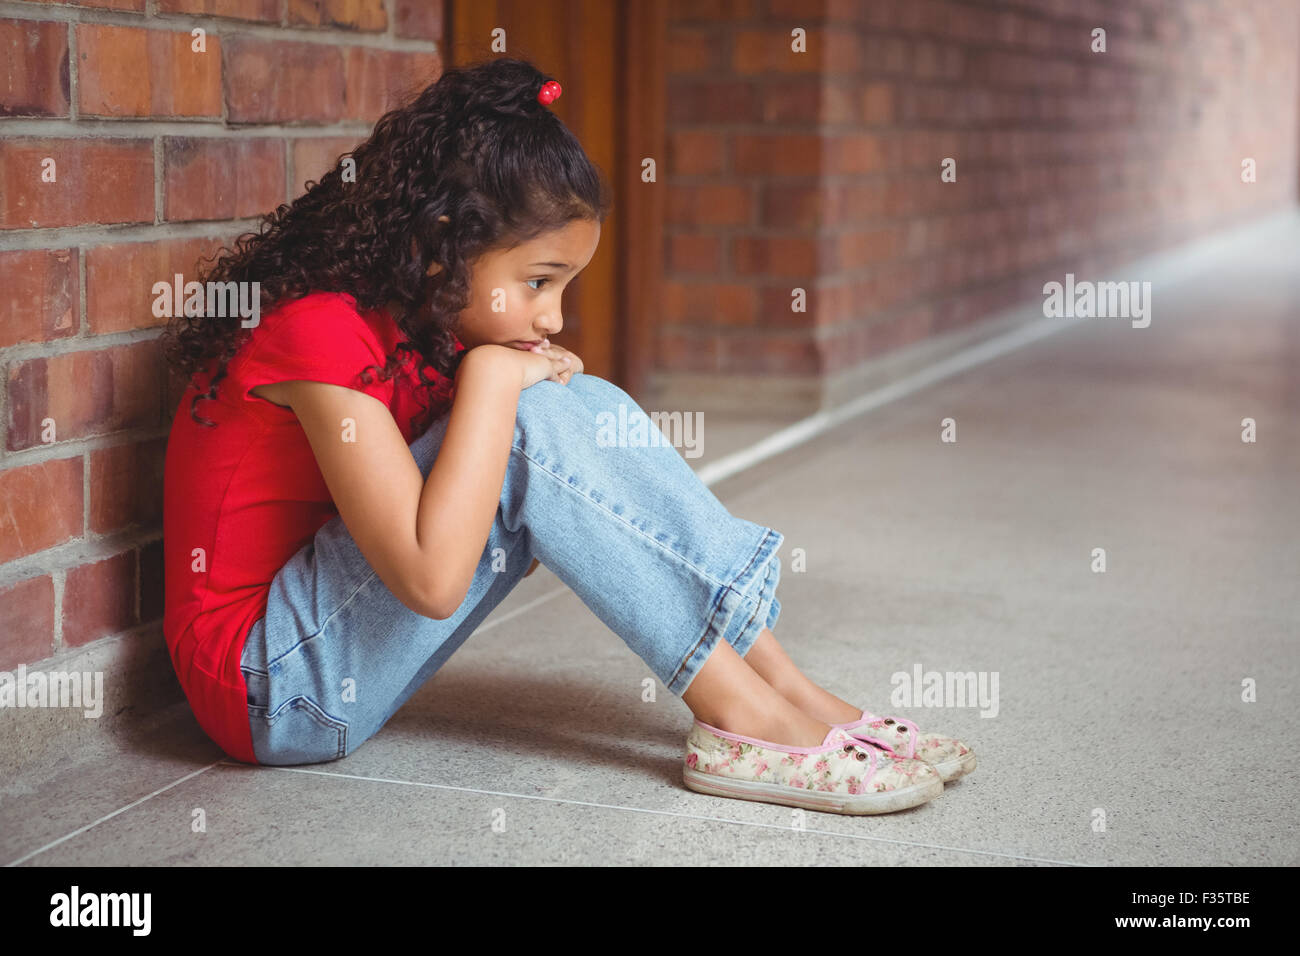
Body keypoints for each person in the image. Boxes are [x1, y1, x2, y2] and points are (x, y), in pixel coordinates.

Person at [160, 56, 974, 816]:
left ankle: (789, 693)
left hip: (322, 652)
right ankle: (743, 715)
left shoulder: (417, 320)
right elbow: (431, 582)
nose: (551, 315)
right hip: (273, 685)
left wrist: (516, 379)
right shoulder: (317, 332)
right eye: (538, 282)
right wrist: (492, 378)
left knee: (566, 402)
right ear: (443, 242)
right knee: (529, 417)